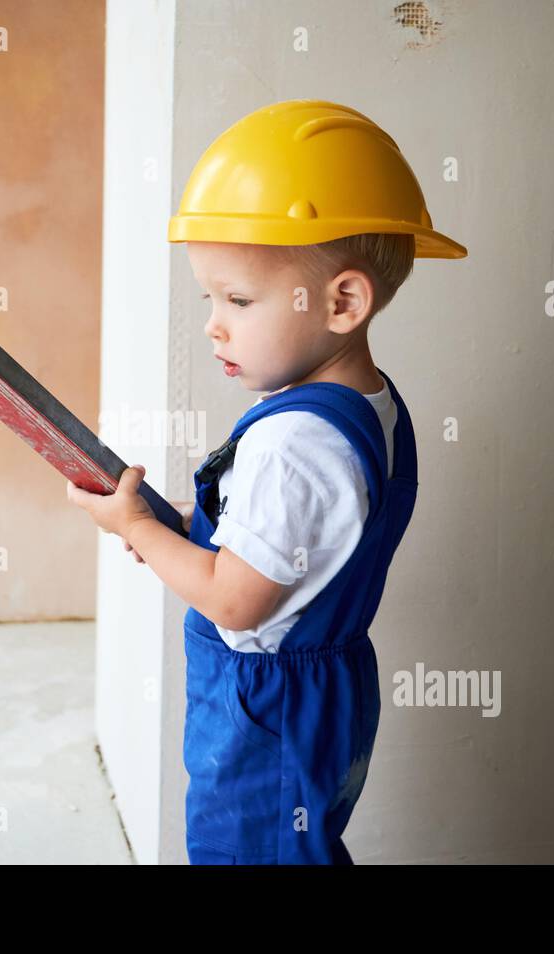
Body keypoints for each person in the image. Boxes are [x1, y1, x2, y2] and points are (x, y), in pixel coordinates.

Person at [66, 99, 466, 864]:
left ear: (344, 301)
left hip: (266, 706)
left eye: (239, 301)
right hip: (327, 687)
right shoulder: (366, 408)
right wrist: (181, 526)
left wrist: (139, 530)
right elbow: (292, 543)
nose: (214, 324)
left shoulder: (292, 441)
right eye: (209, 298)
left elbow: (236, 597)